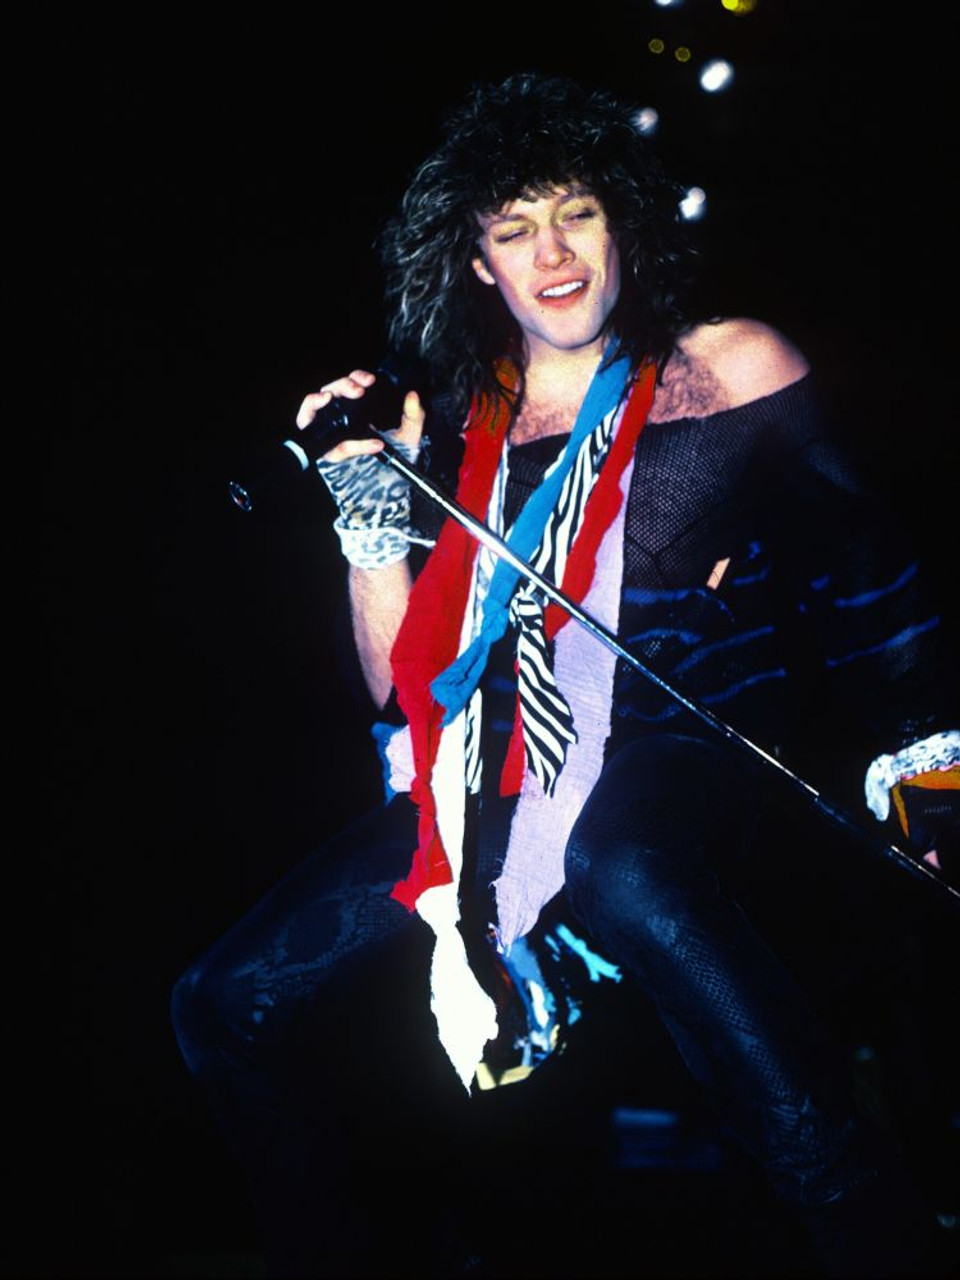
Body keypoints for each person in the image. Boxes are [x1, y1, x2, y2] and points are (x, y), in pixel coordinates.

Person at [173, 74, 958, 1277]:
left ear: (620, 224)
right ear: (477, 260)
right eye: (514, 226)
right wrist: (368, 517)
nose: (551, 252)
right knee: (222, 999)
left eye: (575, 213)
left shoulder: (728, 366)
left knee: (622, 863)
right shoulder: (450, 420)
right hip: (499, 771)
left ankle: (871, 1224)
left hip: (688, 751)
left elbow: (873, 584)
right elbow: (397, 687)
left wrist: (933, 777)